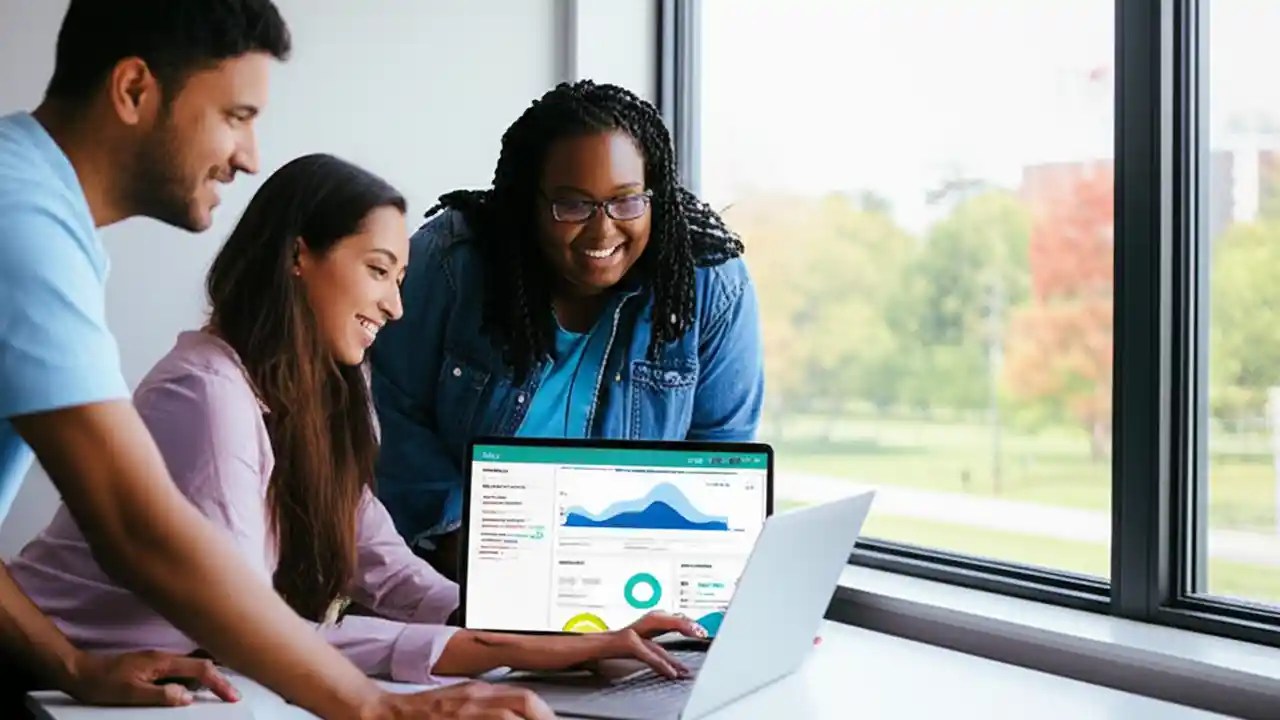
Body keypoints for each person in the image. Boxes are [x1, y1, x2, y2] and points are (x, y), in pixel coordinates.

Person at [0, 2, 550, 718]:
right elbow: (138, 530)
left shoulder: (37, 212)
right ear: (134, 90)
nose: (250, 155)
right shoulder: (23, 224)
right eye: (236, 115)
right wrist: (380, 709)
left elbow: (377, 560)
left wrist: (71, 666)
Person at [11, 152, 707, 689]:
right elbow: (252, 629)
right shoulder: (206, 394)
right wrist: (518, 649)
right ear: (297, 257)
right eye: (379, 271)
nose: (396, 307)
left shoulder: (316, 402)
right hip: (42, 677)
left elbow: (388, 570)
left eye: (401, 279)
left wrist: (551, 629)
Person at [369, 80, 765, 578]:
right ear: (527, 203)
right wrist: (473, 559)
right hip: (452, 576)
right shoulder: (450, 264)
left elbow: (721, 458)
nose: (603, 232)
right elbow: (392, 415)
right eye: (573, 205)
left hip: (633, 583)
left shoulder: (709, 284)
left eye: (626, 202)